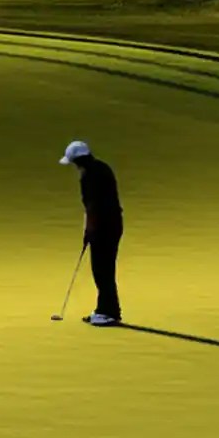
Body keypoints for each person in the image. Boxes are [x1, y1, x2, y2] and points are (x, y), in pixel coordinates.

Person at [59, 140, 123, 326]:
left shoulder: (89, 176)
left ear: (79, 161)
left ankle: (108, 312)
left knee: (102, 271)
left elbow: (93, 207)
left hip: (104, 227)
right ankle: (105, 310)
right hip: (113, 224)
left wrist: (90, 230)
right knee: (105, 270)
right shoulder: (103, 168)